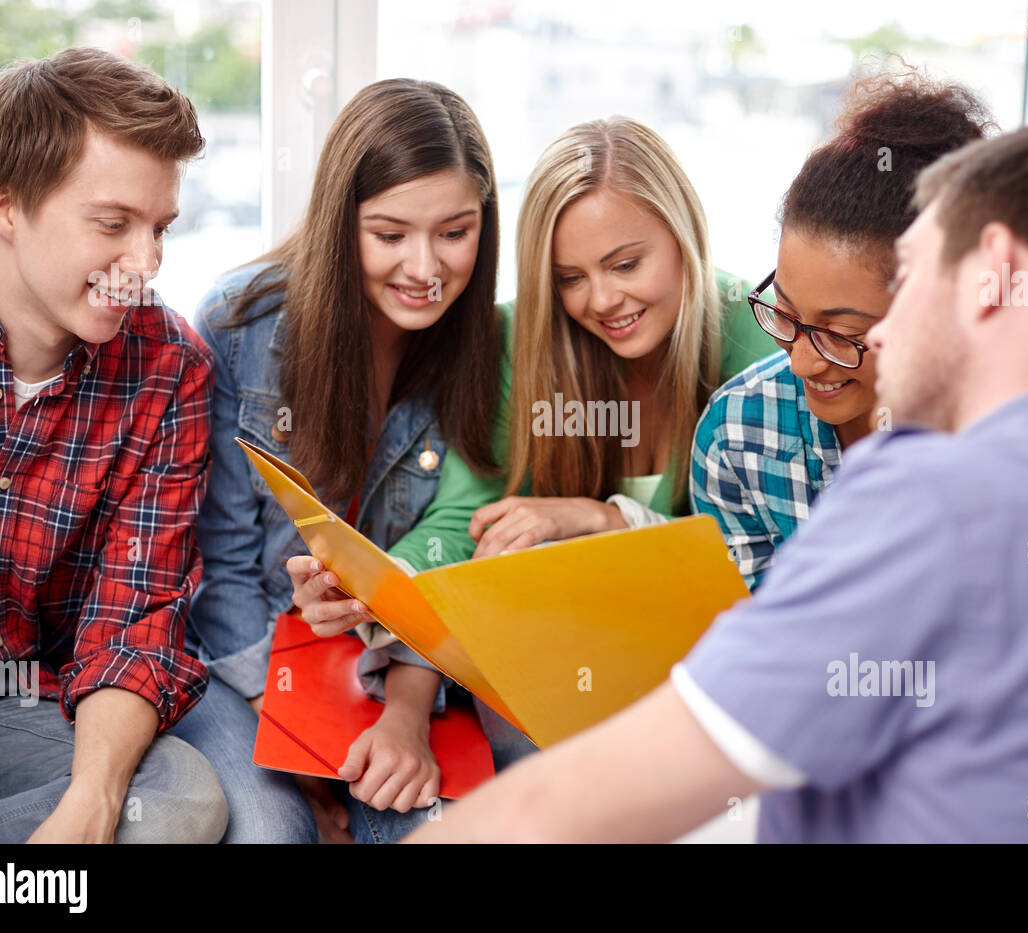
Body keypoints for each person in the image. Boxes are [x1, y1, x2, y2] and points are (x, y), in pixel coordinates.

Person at [404, 122, 1028, 843]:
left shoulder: (934, 498)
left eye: (908, 274)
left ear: (997, 274)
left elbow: (564, 810)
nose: (877, 331)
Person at [287, 115, 779, 763]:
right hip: (574, 675)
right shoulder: (518, 341)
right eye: (570, 277)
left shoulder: (755, 340)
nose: (603, 299)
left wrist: (599, 517)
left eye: (626, 263)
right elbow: (466, 514)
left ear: (684, 234)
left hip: (715, 679)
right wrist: (379, 587)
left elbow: (757, 563)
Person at [178, 78, 504, 843]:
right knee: (269, 826)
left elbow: (449, 561)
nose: (425, 266)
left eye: (454, 232)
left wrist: (403, 708)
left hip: (393, 671)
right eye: (390, 235)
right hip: (245, 655)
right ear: (339, 223)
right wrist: (293, 734)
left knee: (427, 826)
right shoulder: (239, 323)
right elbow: (217, 571)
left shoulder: (486, 347)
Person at [0, 47, 226, 843]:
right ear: (4, 205)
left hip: (10, 715)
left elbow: (131, 623)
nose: (147, 263)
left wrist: (89, 805)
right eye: (113, 224)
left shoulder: (170, 369)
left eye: (160, 228)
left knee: (175, 801)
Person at [692, 71, 993, 589]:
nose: (802, 362)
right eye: (786, 314)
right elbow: (755, 645)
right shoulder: (738, 434)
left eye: (842, 332)